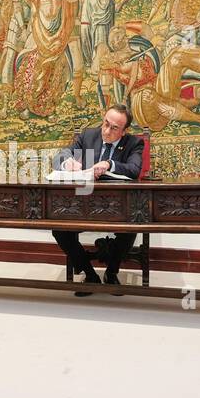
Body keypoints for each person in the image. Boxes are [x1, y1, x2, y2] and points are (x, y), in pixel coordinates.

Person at [51, 104, 144, 295]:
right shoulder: (88, 136)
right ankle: (89, 273)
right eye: (105, 124)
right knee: (59, 230)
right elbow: (63, 153)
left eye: (114, 128)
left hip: (117, 205)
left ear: (124, 132)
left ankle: (111, 273)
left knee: (132, 225)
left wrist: (110, 164)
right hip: (83, 202)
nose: (107, 131)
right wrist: (66, 161)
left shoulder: (134, 143)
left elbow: (134, 170)